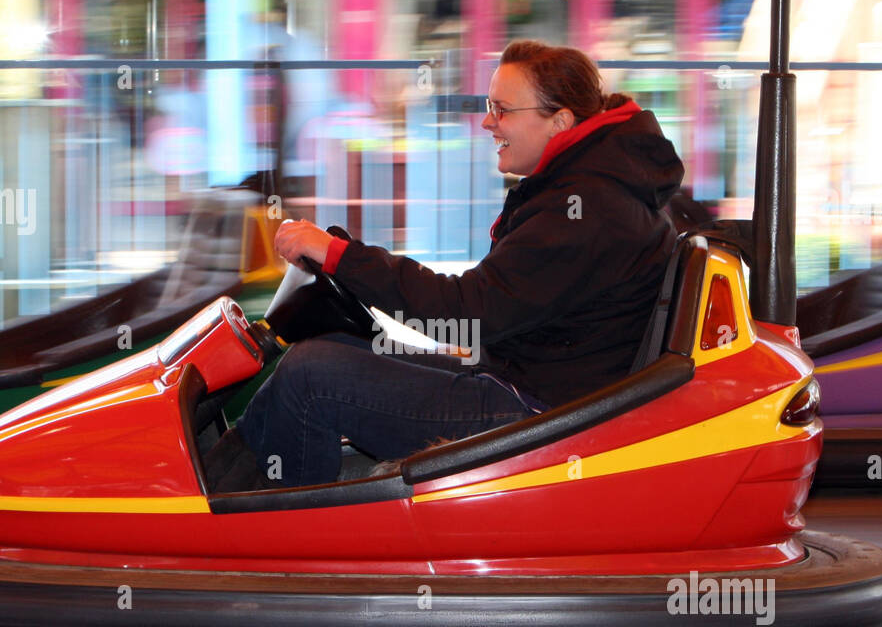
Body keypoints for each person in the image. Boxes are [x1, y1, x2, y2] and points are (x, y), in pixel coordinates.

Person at [205, 40, 684, 491]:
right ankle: (218, 483)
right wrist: (349, 267)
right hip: (524, 380)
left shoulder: (585, 207)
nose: (486, 123)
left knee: (313, 376)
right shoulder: (586, 186)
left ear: (559, 121)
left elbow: (468, 312)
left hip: (536, 416)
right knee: (333, 344)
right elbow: (490, 312)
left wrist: (341, 257)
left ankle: (282, 537)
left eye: (502, 110)